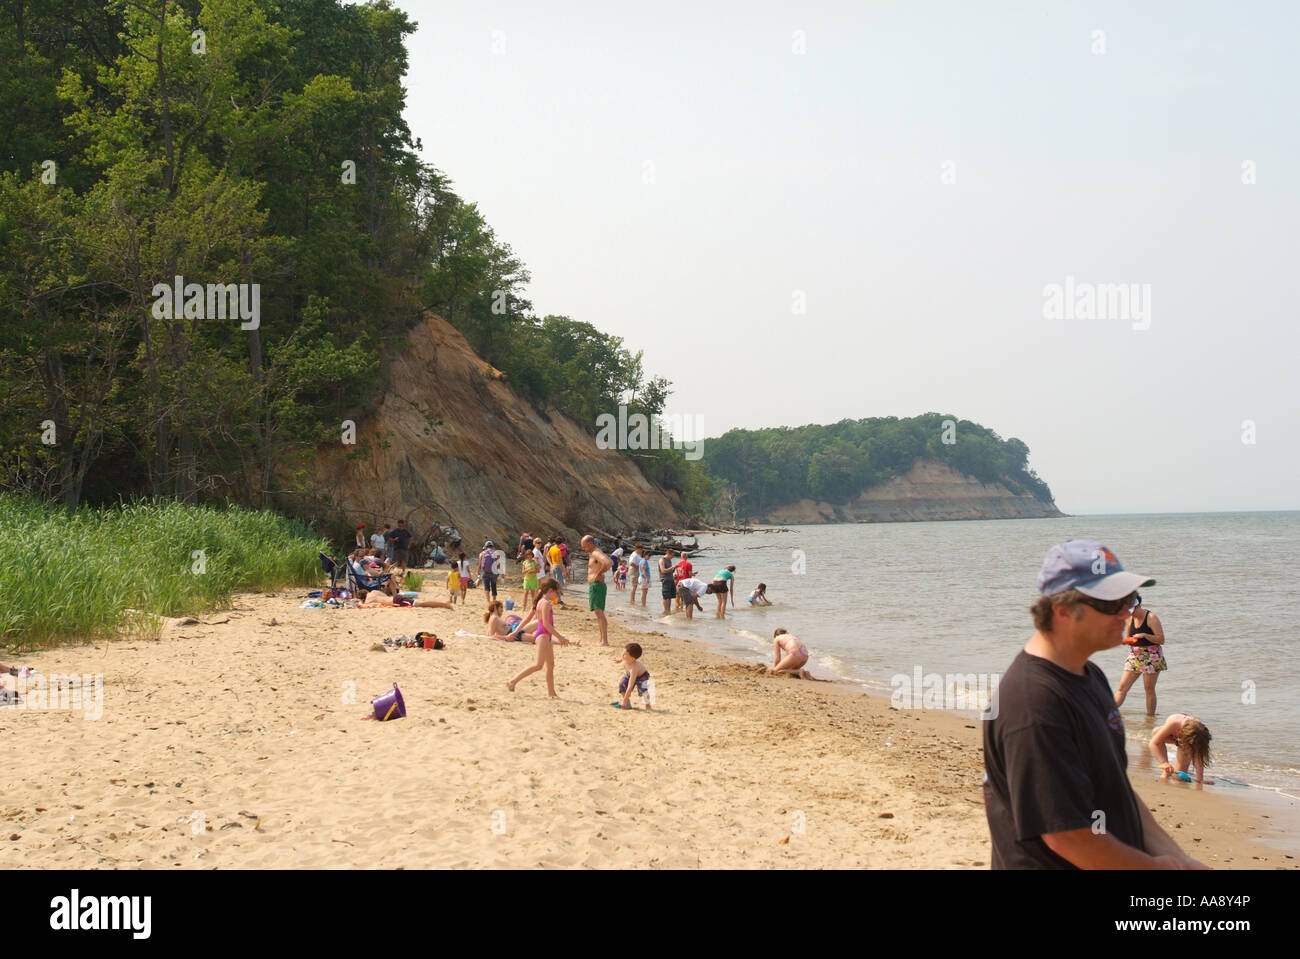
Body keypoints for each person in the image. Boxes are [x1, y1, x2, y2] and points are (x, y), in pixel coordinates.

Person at [983, 539, 1206, 869]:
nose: (1125, 614)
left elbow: (1117, 790)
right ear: (1062, 610)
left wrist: (1179, 859)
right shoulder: (1034, 705)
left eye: (1130, 600)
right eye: (1110, 604)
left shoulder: (1090, 676)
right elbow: (1067, 835)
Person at [507, 577, 576, 698]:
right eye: (557, 592)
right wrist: (560, 637)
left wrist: (515, 632)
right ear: (550, 591)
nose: (557, 595)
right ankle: (513, 681)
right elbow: (546, 624)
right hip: (543, 635)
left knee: (551, 665)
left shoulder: (539, 602)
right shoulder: (546, 604)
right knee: (538, 665)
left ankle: (551, 692)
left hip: (545, 636)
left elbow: (527, 619)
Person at [1114, 593, 1166, 715]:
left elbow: (1161, 639)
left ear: (1137, 606)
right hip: (1134, 656)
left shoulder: (1151, 617)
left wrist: (1144, 635)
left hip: (1151, 656)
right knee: (1122, 687)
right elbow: (1128, 638)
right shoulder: (1129, 619)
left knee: (1148, 689)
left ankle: (1150, 719)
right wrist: (1124, 641)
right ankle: (1109, 713)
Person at [1149, 714, 1214, 784]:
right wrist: (1164, 763)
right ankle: (1167, 770)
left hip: (1186, 739)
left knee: (1179, 776)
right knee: (1156, 732)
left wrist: (1200, 779)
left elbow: (1199, 756)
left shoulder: (1200, 733)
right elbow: (1153, 743)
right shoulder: (1174, 724)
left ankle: (1177, 767)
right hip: (1173, 736)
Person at [582, 534, 612, 646]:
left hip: (597, 585)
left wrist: (599, 573)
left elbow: (608, 563)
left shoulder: (595, 552)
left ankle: (604, 640)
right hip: (596, 585)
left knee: (599, 612)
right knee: (598, 612)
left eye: (585, 546)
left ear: (590, 544)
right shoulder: (595, 552)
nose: (584, 549)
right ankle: (602, 639)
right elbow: (608, 561)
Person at [613, 642, 651, 710]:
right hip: (629, 675)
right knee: (622, 684)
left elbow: (630, 687)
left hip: (642, 676)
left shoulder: (634, 668)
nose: (623, 655)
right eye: (623, 653)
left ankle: (648, 704)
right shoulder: (625, 658)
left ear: (633, 658)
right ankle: (628, 704)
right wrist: (619, 660)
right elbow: (623, 656)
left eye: (625, 654)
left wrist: (623, 702)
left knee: (643, 690)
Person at [359, 589, 451, 608]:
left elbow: (365, 605)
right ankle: (443, 604)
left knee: (421, 603)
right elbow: (385, 596)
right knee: (420, 602)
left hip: (396, 601)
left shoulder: (368, 600)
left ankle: (443, 604)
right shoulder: (374, 591)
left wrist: (359, 601)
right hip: (395, 597)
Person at [658, 549, 678, 613]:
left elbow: (670, 571)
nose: (673, 557)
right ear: (668, 554)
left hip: (671, 579)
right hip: (665, 579)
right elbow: (663, 570)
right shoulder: (662, 560)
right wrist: (672, 567)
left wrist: (674, 569)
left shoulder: (669, 560)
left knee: (670, 596)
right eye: (672, 555)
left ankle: (668, 610)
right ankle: (666, 610)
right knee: (665, 596)